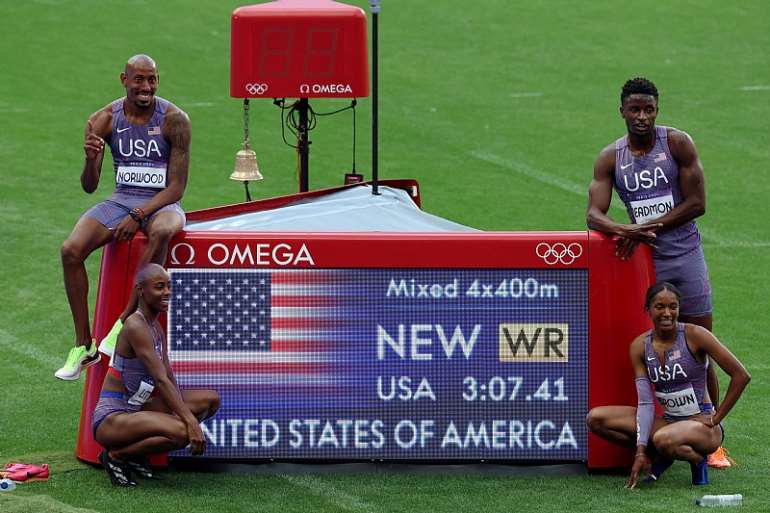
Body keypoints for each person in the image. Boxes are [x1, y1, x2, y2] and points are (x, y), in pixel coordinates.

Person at [586, 77, 731, 468]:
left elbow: (698, 202)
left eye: (648, 109)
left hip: (684, 257)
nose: (642, 117)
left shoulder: (677, 144)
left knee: (701, 348)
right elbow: (593, 214)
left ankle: (712, 438)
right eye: (634, 109)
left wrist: (646, 229)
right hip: (643, 265)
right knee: (654, 350)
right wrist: (624, 230)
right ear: (622, 111)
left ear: (657, 110)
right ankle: (660, 431)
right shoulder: (610, 158)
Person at [56, 54, 190, 380]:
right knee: (70, 250)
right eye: (139, 80)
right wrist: (90, 160)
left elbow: (176, 188)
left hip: (161, 205)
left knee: (161, 232)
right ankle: (83, 345)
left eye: (152, 80)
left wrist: (139, 213)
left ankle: (123, 323)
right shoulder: (103, 120)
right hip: (121, 199)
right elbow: (89, 186)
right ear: (124, 79)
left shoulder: (175, 120)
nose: (146, 87)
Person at [586, 282, 749, 488]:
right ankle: (658, 454)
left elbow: (741, 375)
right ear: (648, 309)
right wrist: (641, 450)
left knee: (664, 437)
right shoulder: (640, 346)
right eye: (660, 307)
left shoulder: (695, 335)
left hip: (703, 426)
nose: (667, 313)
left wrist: (716, 417)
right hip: (669, 422)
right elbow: (645, 403)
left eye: (673, 307)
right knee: (596, 419)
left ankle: (697, 459)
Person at [92, 264, 220, 486]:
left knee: (209, 400)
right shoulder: (135, 325)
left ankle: (132, 453)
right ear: (141, 290)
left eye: (169, 286)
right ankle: (116, 456)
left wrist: (185, 415)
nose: (167, 292)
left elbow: (168, 378)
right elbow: (159, 379)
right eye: (160, 287)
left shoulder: (155, 327)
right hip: (113, 418)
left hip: (138, 408)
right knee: (182, 433)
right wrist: (189, 422)